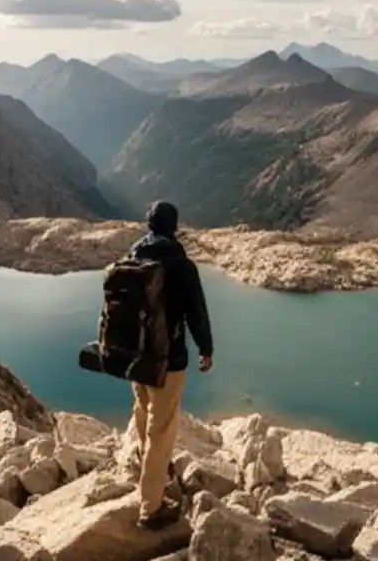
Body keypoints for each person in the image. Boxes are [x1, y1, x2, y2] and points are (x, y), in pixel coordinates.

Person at [128, 200, 213, 530]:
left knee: (143, 410)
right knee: (162, 429)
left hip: (136, 355)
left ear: (149, 225)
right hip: (169, 358)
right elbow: (196, 312)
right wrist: (206, 348)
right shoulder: (181, 264)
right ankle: (150, 507)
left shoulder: (133, 256)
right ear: (174, 227)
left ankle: (150, 466)